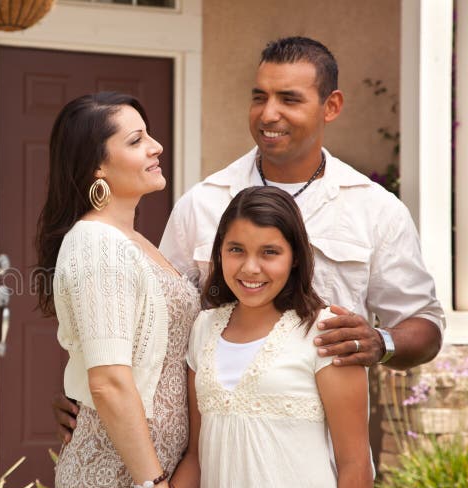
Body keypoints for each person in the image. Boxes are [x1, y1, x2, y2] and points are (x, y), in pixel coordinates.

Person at [53, 36, 444, 447]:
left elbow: (426, 326)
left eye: (289, 99)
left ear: (331, 106)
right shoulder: (202, 203)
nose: (268, 113)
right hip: (213, 457)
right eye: (260, 97)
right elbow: (147, 318)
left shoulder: (376, 210)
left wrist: (381, 341)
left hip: (327, 461)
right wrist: (81, 382)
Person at [35, 92, 200, 488]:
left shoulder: (137, 242)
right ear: (97, 167)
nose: (156, 147)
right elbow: (108, 382)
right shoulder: (95, 244)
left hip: (156, 478)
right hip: (118, 480)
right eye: (136, 140)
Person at [175, 186, 373, 488]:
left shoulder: (326, 332)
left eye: (270, 252)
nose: (251, 268)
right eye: (236, 249)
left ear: (295, 256)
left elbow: (355, 465)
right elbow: (196, 458)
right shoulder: (203, 329)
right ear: (219, 253)